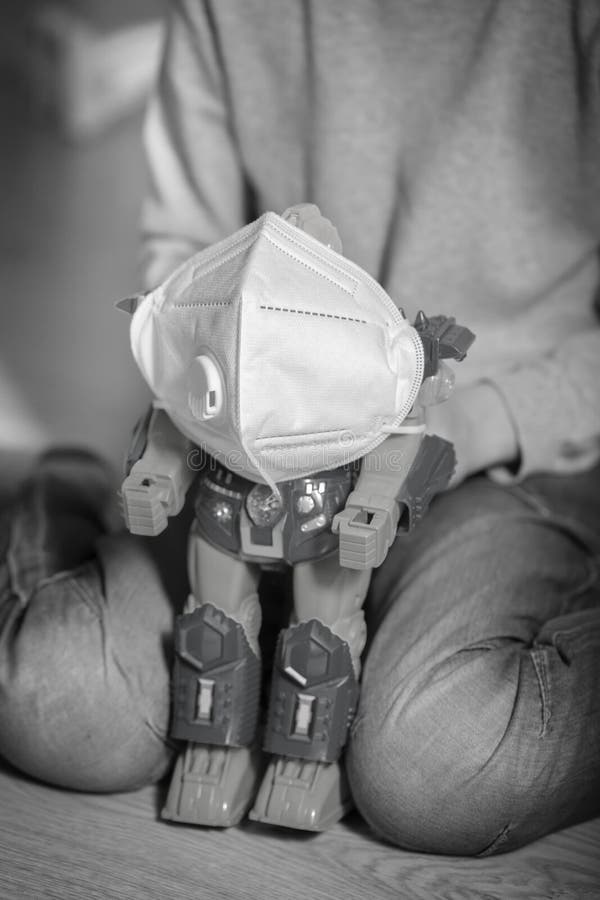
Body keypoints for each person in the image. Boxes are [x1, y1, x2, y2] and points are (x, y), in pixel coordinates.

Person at [1, 0, 599, 856]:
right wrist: (167, 457)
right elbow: (182, 277)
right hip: (243, 457)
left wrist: (443, 432)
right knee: (68, 696)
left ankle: (310, 752)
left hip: (498, 448)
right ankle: (62, 491)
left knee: (429, 761)